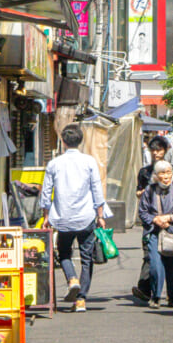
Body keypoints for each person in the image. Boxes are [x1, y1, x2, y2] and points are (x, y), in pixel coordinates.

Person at [39, 123, 106, 312]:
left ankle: (72, 278)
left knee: (65, 253)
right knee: (87, 258)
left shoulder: (54, 164)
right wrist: (100, 215)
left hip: (63, 218)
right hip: (86, 217)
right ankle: (81, 299)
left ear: (63, 141)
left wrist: (46, 216)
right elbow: (97, 190)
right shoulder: (89, 162)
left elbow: (46, 193)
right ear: (80, 140)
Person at [132, 136, 173, 303]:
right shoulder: (145, 173)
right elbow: (140, 199)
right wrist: (155, 219)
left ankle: (171, 295)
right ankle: (152, 293)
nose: (156, 153)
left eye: (159, 149)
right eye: (153, 150)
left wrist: (170, 218)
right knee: (152, 260)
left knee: (172, 264)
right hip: (152, 227)